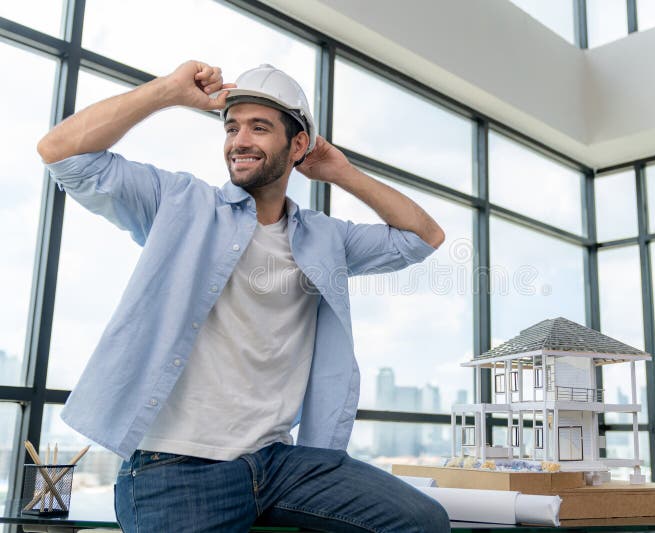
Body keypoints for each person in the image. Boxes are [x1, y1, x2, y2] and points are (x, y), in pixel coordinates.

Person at [37, 60, 450, 532]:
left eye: (259, 127)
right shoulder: (179, 203)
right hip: (177, 467)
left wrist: (341, 172)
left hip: (280, 465)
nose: (240, 141)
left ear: (298, 145)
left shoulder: (324, 238)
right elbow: (60, 152)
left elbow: (423, 236)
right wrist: (168, 91)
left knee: (421, 521)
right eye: (232, 128)